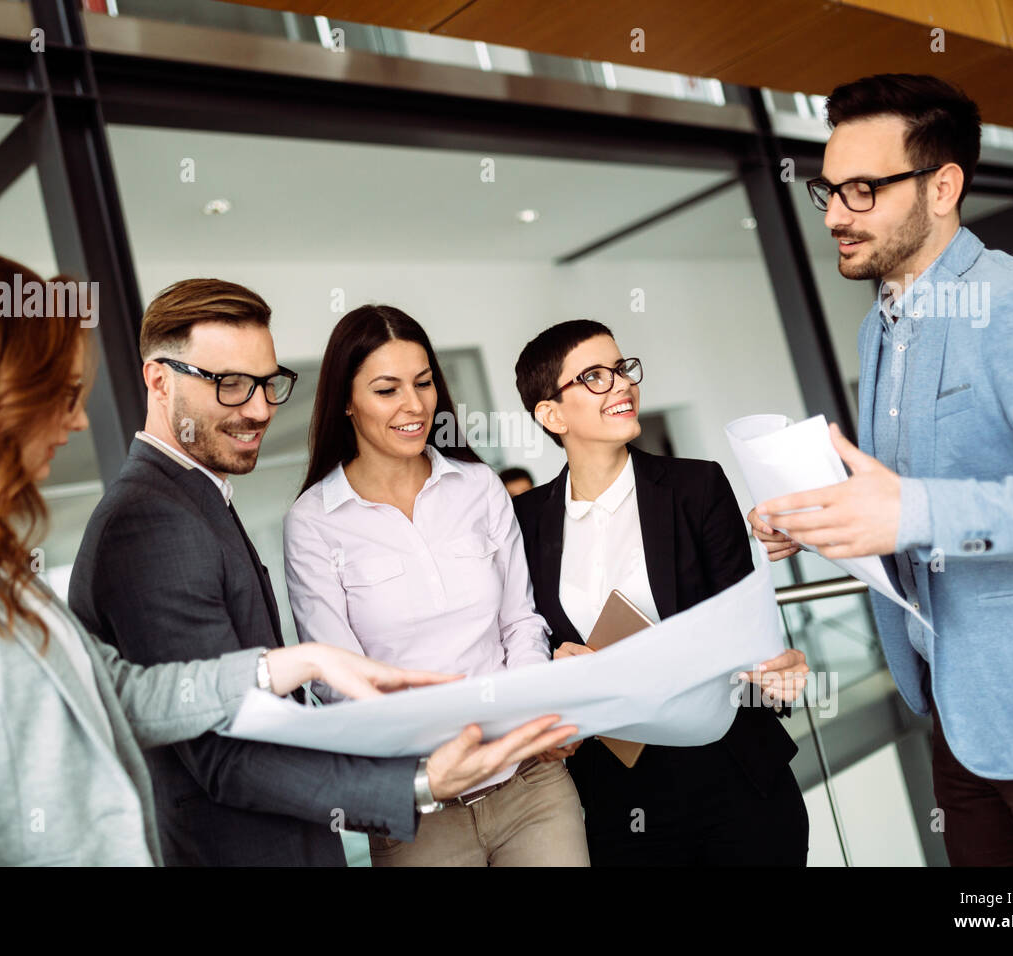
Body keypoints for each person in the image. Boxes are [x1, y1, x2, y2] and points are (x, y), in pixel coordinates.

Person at [0, 254, 460, 866]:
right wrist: (417, 783)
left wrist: (294, 662)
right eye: (60, 394)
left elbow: (123, 692)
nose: (79, 420)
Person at [748, 73, 1013, 866]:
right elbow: (907, 507)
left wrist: (911, 511)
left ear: (943, 186)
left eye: (862, 190)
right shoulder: (879, 329)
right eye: (829, 189)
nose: (833, 214)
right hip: (954, 713)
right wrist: (825, 523)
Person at [67, 281, 572, 866]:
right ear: (159, 380)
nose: (258, 408)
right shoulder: (151, 521)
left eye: (265, 383)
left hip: (510, 786)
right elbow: (222, 754)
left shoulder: (198, 499)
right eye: (229, 384)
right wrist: (418, 783)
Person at [283, 305, 590, 867]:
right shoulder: (313, 521)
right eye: (386, 389)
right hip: (421, 812)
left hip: (529, 785)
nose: (414, 405)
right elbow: (337, 680)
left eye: (423, 383)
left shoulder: (478, 487)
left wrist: (525, 720)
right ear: (346, 401)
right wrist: (436, 764)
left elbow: (520, 622)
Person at [512, 319, 811, 866]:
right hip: (616, 790)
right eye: (595, 377)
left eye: (622, 369)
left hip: (732, 772)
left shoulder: (697, 486)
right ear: (551, 414)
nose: (622, 384)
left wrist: (771, 669)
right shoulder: (524, 521)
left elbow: (741, 623)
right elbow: (524, 636)